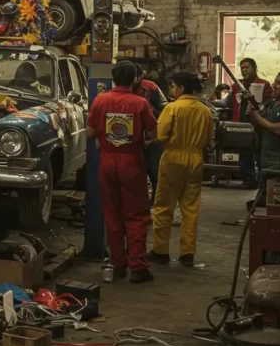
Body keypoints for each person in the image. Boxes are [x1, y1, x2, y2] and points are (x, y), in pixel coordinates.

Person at [86, 61, 158, 283]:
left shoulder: (100, 100)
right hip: (132, 162)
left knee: (112, 214)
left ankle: (118, 264)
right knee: (136, 214)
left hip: (107, 161)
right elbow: (152, 134)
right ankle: (138, 266)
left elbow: (89, 132)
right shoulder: (140, 103)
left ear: (113, 78)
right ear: (135, 79)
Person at [147, 72, 214, 268]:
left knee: (163, 206)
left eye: (173, 87)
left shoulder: (172, 108)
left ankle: (160, 251)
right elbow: (209, 138)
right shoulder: (205, 111)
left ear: (182, 88)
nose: (172, 91)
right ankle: (187, 253)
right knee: (190, 208)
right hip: (196, 159)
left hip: (173, 158)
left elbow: (161, 135)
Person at [229, 58, 273, 189]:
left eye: (247, 67)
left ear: (254, 68)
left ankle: (262, 182)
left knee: (259, 153)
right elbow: (228, 102)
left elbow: (270, 101)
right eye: (242, 68)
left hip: (258, 125)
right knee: (244, 153)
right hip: (241, 125)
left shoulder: (264, 84)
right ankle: (248, 181)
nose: (244, 70)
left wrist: (261, 108)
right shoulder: (236, 86)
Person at [132, 65, 168, 205]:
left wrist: (150, 109)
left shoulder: (151, 87)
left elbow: (165, 108)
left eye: (136, 77)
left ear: (141, 76)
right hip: (131, 138)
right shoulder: (120, 89)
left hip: (151, 136)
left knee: (155, 171)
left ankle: (156, 201)